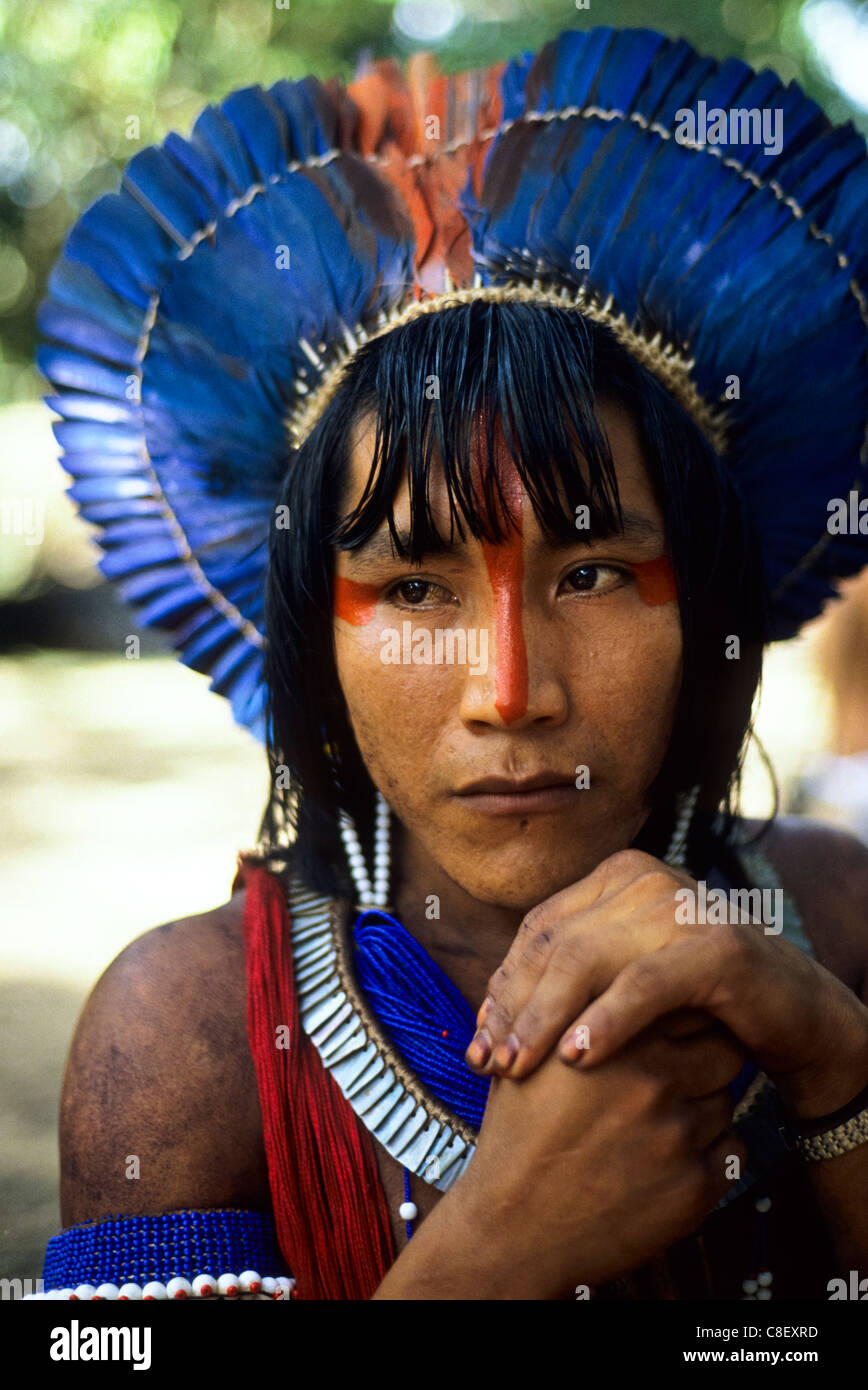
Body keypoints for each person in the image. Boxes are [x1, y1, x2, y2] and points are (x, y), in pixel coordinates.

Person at [32, 25, 868, 1301]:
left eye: (590, 572)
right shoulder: (185, 1037)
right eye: (412, 586)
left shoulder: (837, 924)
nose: (509, 691)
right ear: (315, 630)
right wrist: (490, 1256)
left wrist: (834, 1065)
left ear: (703, 607)